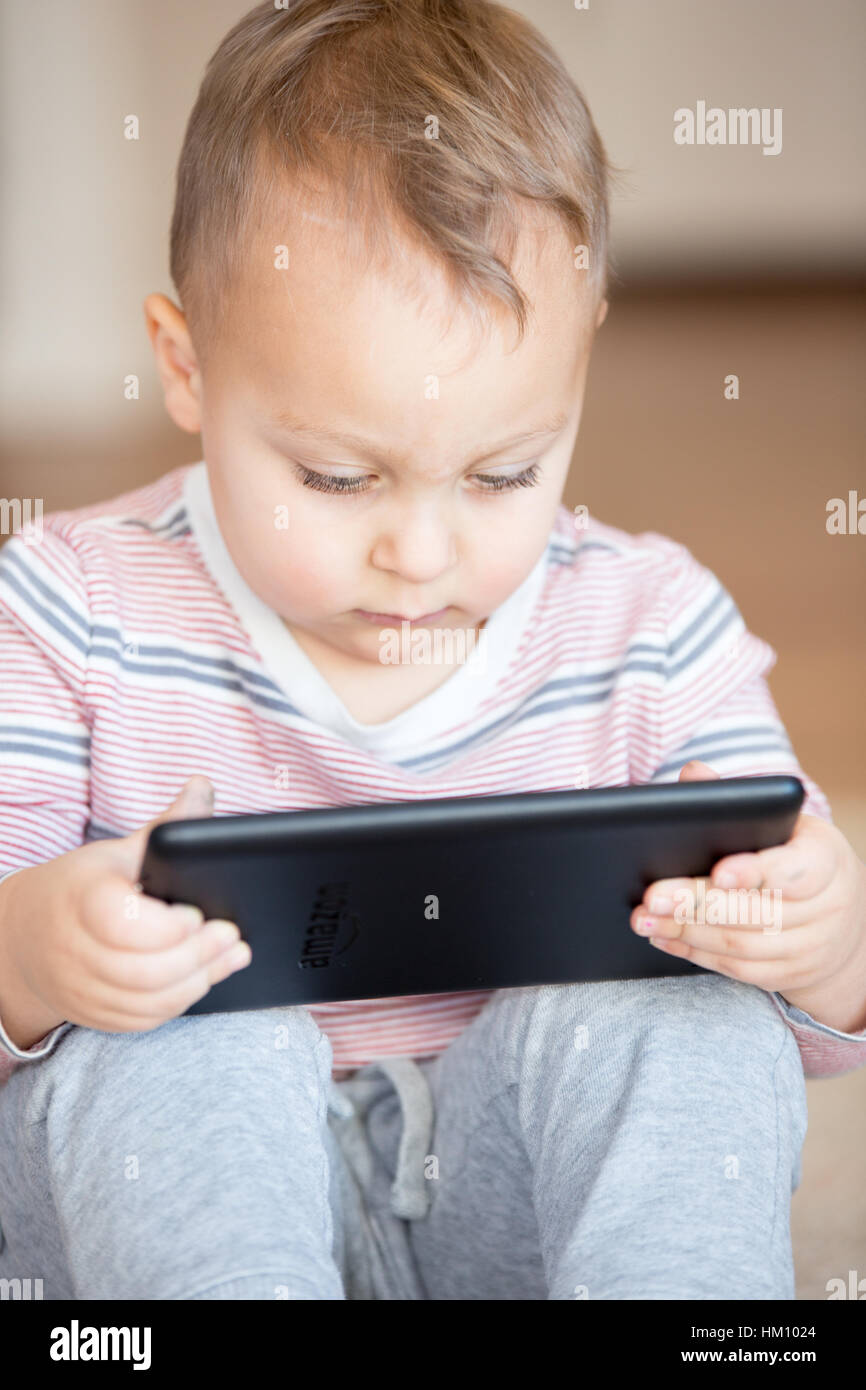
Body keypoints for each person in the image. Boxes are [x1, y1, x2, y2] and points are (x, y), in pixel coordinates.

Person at [1, 0, 864, 1300]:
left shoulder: (651, 630)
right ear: (185, 368)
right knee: (179, 1041)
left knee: (687, 1019)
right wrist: (33, 952)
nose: (420, 551)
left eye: (501, 472)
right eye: (340, 478)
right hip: (182, 1199)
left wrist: (820, 942)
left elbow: (797, 1001)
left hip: (495, 1195)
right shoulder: (67, 608)